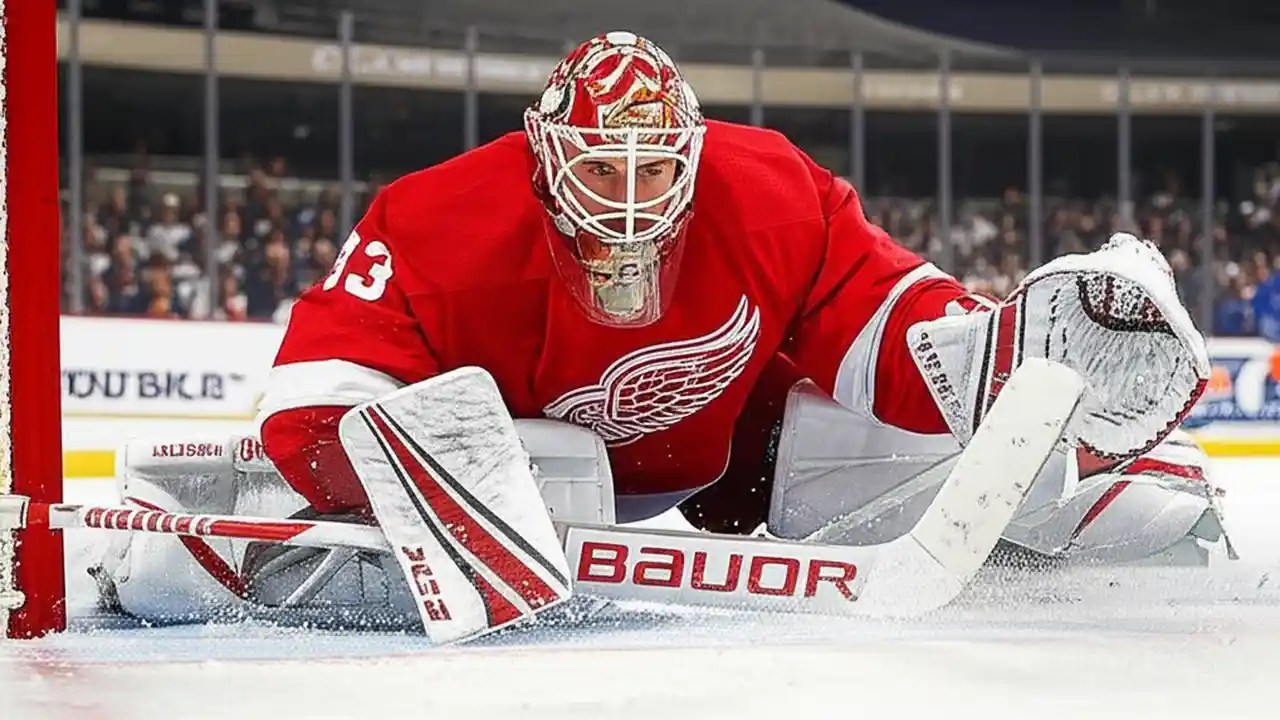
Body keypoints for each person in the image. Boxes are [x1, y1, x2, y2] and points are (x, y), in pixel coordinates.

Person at [93, 32, 1228, 627]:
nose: (629, 201)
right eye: (601, 167)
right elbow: (314, 397)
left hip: (729, 460)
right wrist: (411, 477)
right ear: (543, 153)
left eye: (654, 170)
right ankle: (188, 558)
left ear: (694, 154)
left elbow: (885, 321)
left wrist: (1006, 369)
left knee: (836, 446)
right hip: (531, 477)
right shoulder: (433, 216)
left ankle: (1091, 506)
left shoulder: (770, 186)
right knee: (536, 459)